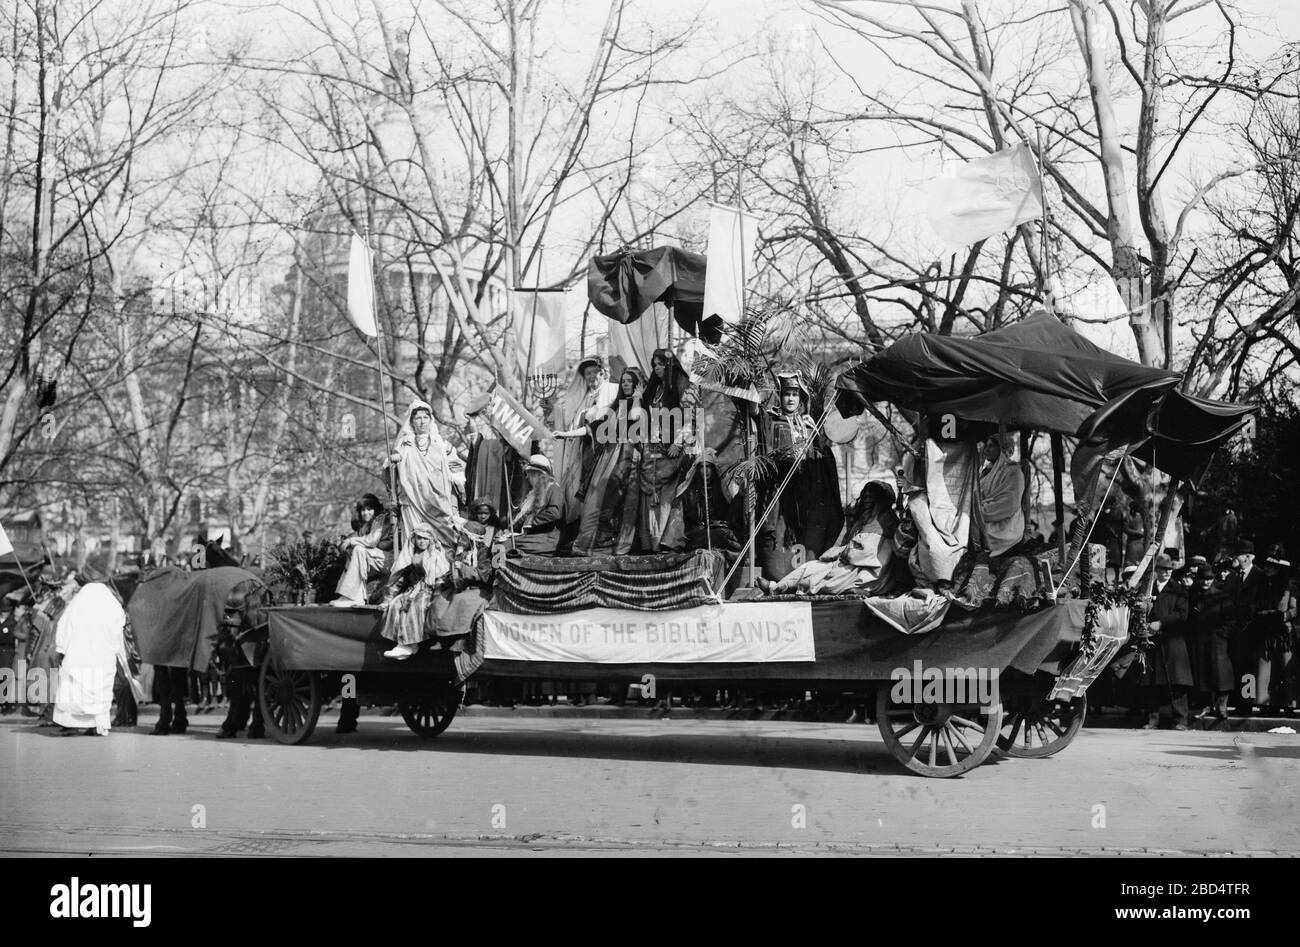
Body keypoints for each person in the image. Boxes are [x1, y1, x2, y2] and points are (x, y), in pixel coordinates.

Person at [759, 481, 902, 596]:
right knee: (809, 567)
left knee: (823, 579)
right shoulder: (861, 521)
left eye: (872, 498)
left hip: (868, 574)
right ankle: (775, 588)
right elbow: (848, 545)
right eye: (866, 497)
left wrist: (842, 552)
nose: (867, 501)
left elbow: (867, 553)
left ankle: (783, 589)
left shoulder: (887, 521)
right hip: (848, 564)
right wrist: (837, 553)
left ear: (881, 501)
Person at [560, 367, 646, 555]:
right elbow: (592, 428)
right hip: (608, 458)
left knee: (624, 503)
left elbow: (635, 416)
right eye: (623, 381)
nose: (625, 384)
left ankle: (618, 547)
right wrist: (565, 434)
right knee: (595, 499)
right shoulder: (614, 407)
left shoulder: (641, 404)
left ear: (637, 384)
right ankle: (589, 544)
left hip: (629, 458)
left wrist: (638, 397)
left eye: (630, 381)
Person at [767, 371, 843, 568]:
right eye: (786, 394)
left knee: (813, 537)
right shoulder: (771, 420)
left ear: (801, 397)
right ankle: (782, 579)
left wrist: (822, 447)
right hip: (782, 491)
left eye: (795, 394)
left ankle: (808, 573)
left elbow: (820, 456)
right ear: (779, 396)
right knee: (782, 535)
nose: (791, 398)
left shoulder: (809, 424)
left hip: (808, 492)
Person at [548, 357, 619, 546]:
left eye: (595, 372)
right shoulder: (584, 397)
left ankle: (604, 535)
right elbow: (572, 420)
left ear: (603, 373)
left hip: (607, 447)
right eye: (587, 374)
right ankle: (584, 534)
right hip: (586, 449)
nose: (591, 376)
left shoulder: (613, 390)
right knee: (584, 492)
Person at [386, 400, 464, 572]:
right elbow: (389, 468)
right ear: (412, 421)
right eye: (417, 418)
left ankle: (442, 575)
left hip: (437, 501)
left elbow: (456, 467)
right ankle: (413, 577)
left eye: (425, 417)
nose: (421, 421)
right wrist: (394, 461)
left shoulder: (441, 444)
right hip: (413, 501)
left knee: (443, 537)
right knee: (415, 539)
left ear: (430, 420)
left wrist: (457, 483)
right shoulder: (404, 444)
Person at [52, 582, 129, 736]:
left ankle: (71, 725)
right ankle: (95, 725)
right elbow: (119, 628)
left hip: (77, 655)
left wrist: (62, 649)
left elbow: (63, 626)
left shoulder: (76, 606)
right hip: (102, 657)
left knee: (74, 691)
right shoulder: (111, 606)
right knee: (99, 691)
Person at [636, 348, 692, 553]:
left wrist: (679, 442)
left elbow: (690, 414)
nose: (657, 368)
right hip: (654, 445)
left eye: (661, 364)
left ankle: (669, 541)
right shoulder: (655, 387)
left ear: (669, 365)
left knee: (669, 495)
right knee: (651, 493)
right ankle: (651, 543)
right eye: (655, 365)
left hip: (674, 447)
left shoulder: (681, 383)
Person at [1138, 553, 1193, 730]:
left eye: (1169, 570)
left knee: (1177, 681)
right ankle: (1152, 719)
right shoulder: (1148, 589)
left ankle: (1181, 720)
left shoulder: (1179, 590)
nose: (1167, 573)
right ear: (1157, 571)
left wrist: (1161, 623)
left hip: (1173, 641)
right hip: (1153, 642)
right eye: (1163, 570)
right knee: (1153, 682)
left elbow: (1182, 615)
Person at [379, 524, 448, 660]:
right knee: (396, 604)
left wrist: (436, 598)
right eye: (419, 538)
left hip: (429, 590)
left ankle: (407, 644)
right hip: (413, 589)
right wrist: (388, 599)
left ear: (430, 540)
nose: (421, 541)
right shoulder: (410, 554)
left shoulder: (435, 555)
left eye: (425, 538)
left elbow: (440, 580)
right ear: (414, 539)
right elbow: (399, 578)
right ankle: (407, 645)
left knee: (416, 606)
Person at [1188, 563, 1236, 722]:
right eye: (1202, 579)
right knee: (1202, 674)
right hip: (1199, 641)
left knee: (1221, 674)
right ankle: (1205, 705)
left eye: (1209, 579)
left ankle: (1221, 705)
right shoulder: (1193, 596)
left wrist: (1222, 634)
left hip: (1217, 642)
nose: (1205, 583)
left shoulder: (1222, 596)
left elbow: (1232, 620)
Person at [330, 494, 394, 607]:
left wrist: (351, 541)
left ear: (376, 509)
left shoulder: (381, 519)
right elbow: (355, 538)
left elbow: (372, 541)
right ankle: (350, 595)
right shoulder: (365, 525)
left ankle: (351, 596)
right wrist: (344, 542)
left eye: (369, 509)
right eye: (363, 510)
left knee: (359, 549)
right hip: (373, 558)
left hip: (387, 560)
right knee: (355, 550)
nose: (366, 513)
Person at [1253, 545, 1295, 712]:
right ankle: (1264, 705)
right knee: (1264, 670)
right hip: (1265, 632)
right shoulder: (1261, 587)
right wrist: (1265, 615)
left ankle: (1289, 705)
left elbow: (1293, 609)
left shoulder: (1288, 587)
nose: (1267, 569)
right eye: (1266, 566)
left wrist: (1283, 617)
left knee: (1286, 669)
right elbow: (1255, 607)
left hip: (1283, 634)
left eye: (1271, 566)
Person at [503, 455, 565, 556]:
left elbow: (555, 513)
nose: (527, 477)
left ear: (539, 475)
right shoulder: (534, 494)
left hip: (549, 539)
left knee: (505, 544)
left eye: (530, 474)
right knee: (503, 540)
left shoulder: (554, 489)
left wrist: (531, 520)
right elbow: (526, 517)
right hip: (537, 536)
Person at [976, 434, 1025, 557]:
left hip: (1004, 528)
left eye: (991, 446)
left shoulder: (1013, 471)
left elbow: (1009, 504)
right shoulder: (984, 473)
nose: (986, 449)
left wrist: (978, 512)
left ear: (1002, 449)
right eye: (986, 446)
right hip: (983, 521)